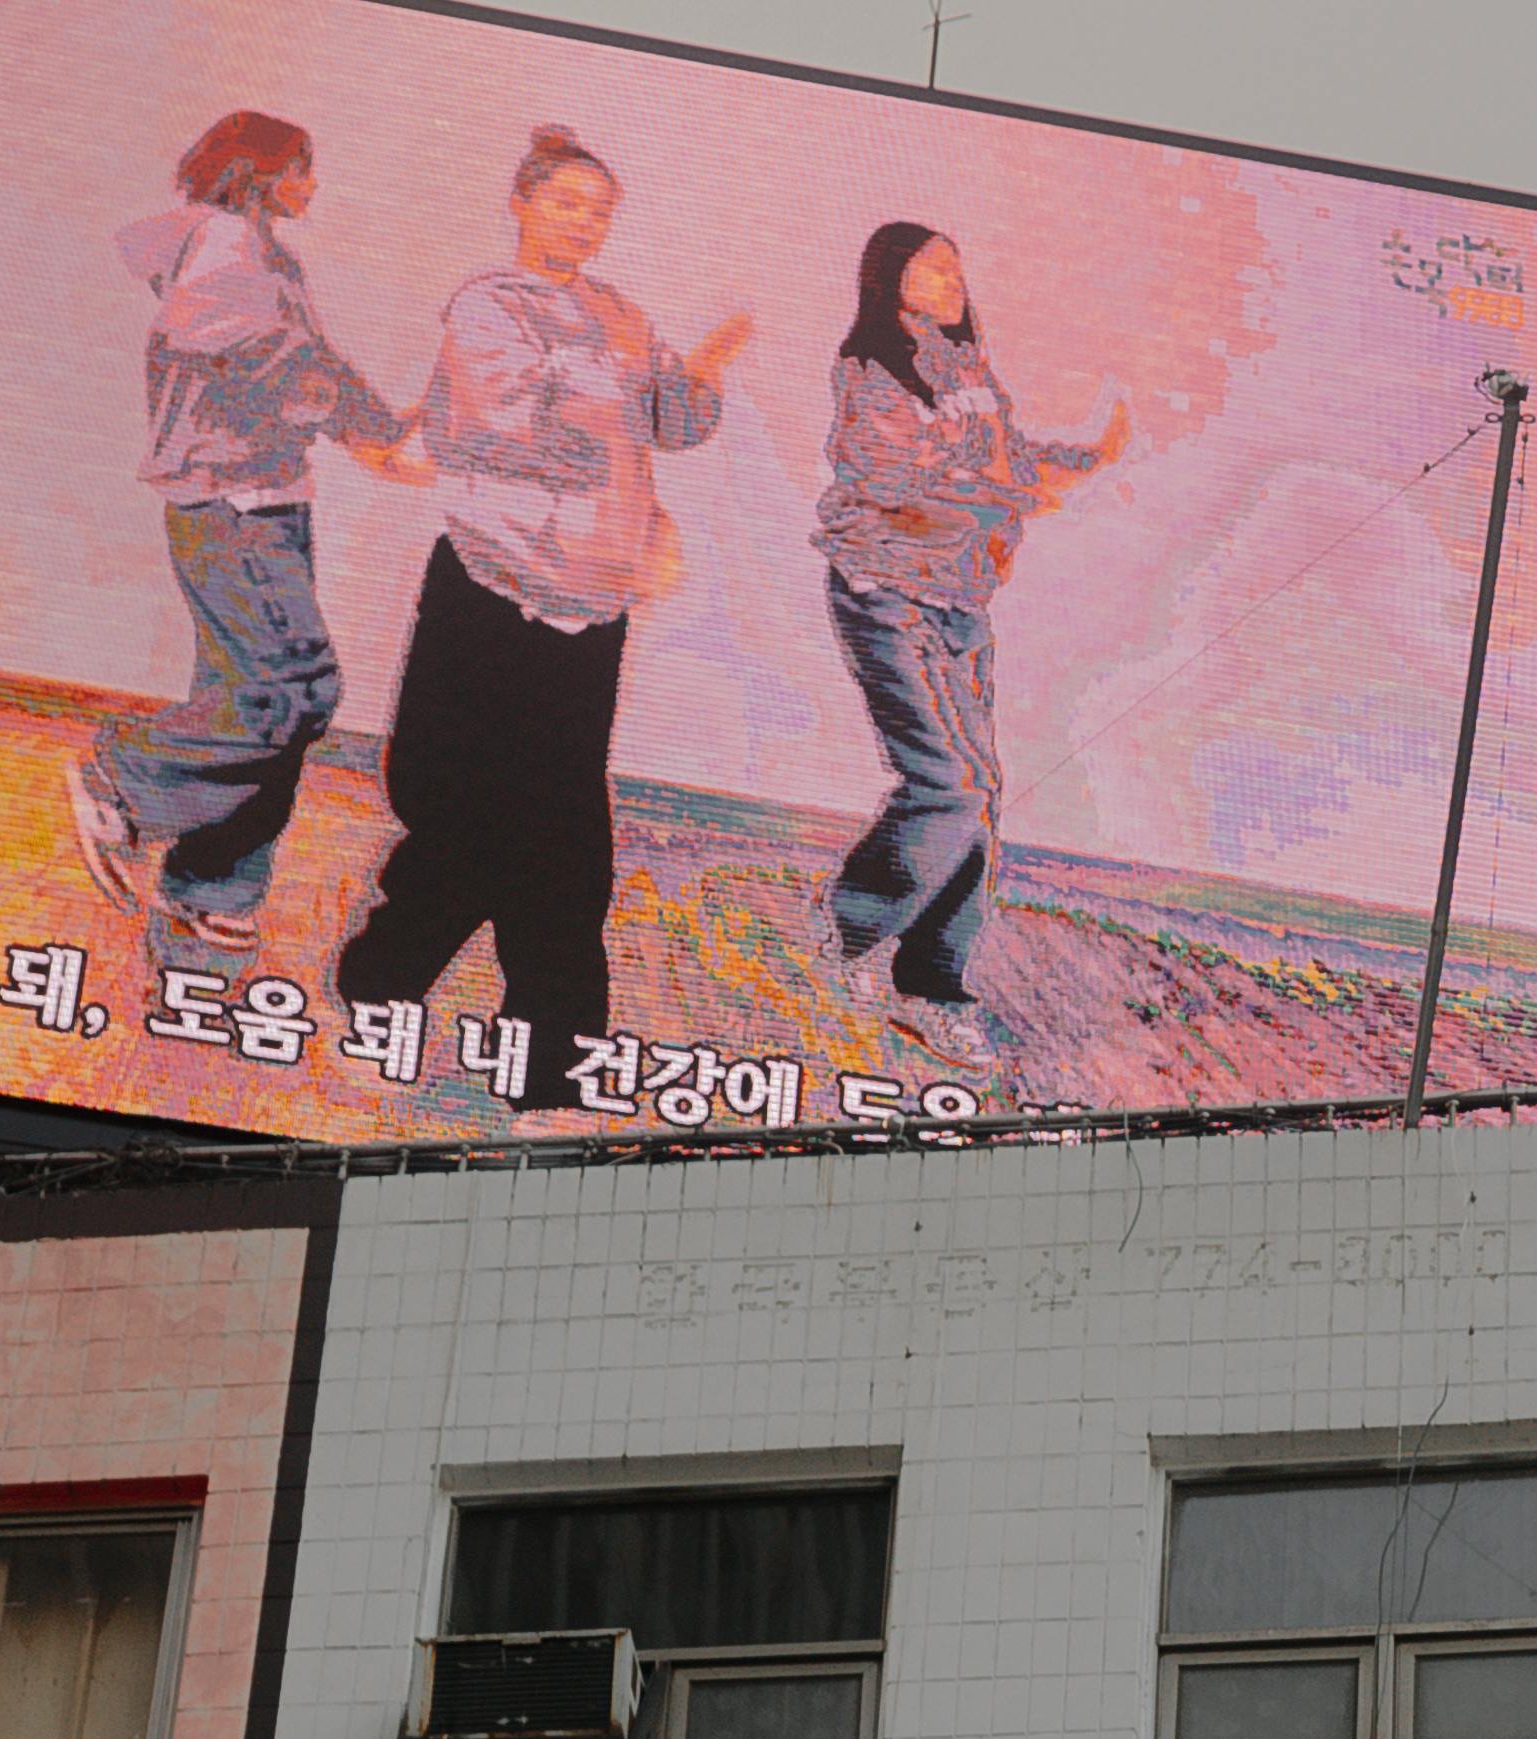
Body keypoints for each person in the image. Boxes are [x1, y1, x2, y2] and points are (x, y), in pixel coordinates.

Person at [335, 128, 747, 1115]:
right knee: (465, 813)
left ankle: (543, 1062)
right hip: (491, 588)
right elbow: (499, 436)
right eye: (566, 202)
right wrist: (618, 436)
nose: (585, 223)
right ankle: (383, 984)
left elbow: (670, 429)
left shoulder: (621, 313)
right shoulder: (490, 306)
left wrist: (701, 380)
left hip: (591, 605)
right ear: (522, 202)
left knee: (563, 836)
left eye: (600, 210)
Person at [70, 113, 419, 963]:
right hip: (236, 506)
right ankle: (125, 779)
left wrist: (371, 427)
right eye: (302, 169)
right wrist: (367, 424)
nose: (312, 185)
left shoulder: (254, 253)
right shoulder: (228, 243)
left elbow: (297, 362)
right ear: (260, 173)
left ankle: (209, 899)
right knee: (295, 694)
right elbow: (268, 359)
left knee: (263, 708)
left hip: (263, 502)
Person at [814, 222, 1127, 1024]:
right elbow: (893, 482)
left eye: (957, 266)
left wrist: (1088, 456)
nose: (953, 279)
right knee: (946, 786)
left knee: (980, 797)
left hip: (959, 601)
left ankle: (929, 986)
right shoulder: (872, 370)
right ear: (890, 279)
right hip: (884, 591)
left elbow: (1008, 455)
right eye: (933, 267)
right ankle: (843, 935)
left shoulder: (969, 369)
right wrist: (1008, 496)